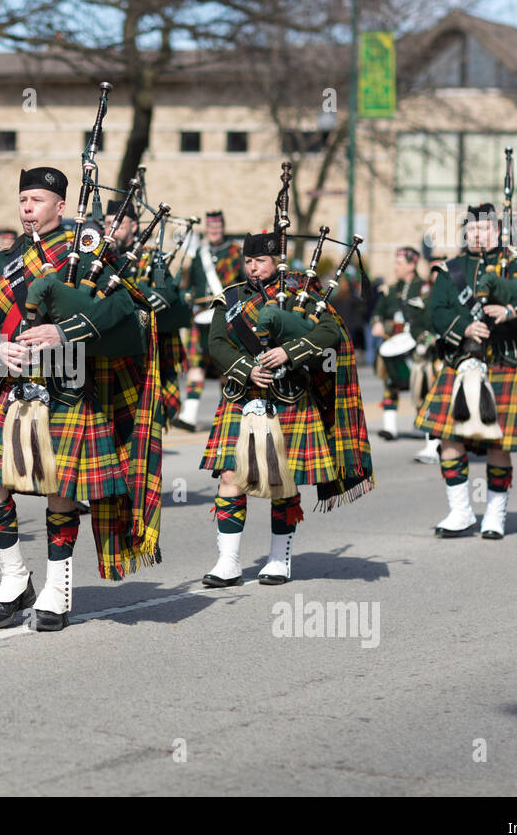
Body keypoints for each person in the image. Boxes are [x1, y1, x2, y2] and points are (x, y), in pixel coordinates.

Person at [0, 167, 162, 632]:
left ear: (61, 207)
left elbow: (125, 312)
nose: (27, 207)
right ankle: (14, 579)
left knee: (60, 493)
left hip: (67, 388)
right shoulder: (1, 263)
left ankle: (56, 589)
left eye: (37, 199)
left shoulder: (87, 255)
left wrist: (64, 330)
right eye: (23, 199)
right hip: (9, 388)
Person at [200, 232, 374, 587]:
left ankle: (278, 559)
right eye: (248, 261)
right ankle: (228, 562)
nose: (252, 268)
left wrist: (290, 352)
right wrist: (246, 368)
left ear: (276, 262)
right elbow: (216, 343)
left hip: (288, 397)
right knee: (231, 476)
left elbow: (330, 333)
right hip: (242, 397)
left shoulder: (302, 295)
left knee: (281, 479)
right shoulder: (230, 298)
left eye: (260, 262)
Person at [414, 203, 517, 539]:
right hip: (462, 362)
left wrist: (510, 311)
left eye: (484, 230)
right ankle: (461, 511)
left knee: (499, 441)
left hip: (506, 362)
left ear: (498, 232)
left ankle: (495, 513)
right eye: (472, 230)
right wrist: (465, 328)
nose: (477, 236)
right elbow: (437, 310)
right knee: (449, 437)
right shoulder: (452, 269)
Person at [106, 199, 193, 430]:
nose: (112, 229)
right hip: (111, 347)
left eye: (119, 223)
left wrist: (133, 309)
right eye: (107, 223)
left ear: (134, 226)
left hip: (146, 346)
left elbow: (165, 296)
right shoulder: (103, 258)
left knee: (144, 419)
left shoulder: (154, 259)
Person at [175, 210, 242, 430]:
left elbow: (238, 284)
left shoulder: (234, 253)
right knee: (195, 364)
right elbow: (190, 283)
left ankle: (228, 413)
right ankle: (189, 416)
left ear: (223, 228)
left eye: (217, 228)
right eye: (211, 228)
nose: (214, 231)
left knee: (225, 366)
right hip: (199, 316)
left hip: (225, 315)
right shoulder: (199, 253)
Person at [370, 246, 431, 442]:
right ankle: (390, 427)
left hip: (417, 345)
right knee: (390, 384)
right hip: (394, 343)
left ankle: (420, 426)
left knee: (420, 386)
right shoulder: (391, 289)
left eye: (399, 263)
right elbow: (377, 312)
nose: (395, 267)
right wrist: (378, 323)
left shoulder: (424, 288)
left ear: (412, 265)